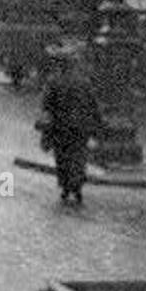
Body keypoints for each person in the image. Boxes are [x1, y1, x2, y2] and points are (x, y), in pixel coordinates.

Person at [41, 48, 103, 205]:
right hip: (81, 128)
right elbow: (93, 106)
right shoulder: (85, 82)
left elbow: (46, 105)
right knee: (78, 157)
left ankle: (65, 187)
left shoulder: (55, 82)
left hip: (60, 127)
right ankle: (77, 187)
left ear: (62, 66)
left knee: (62, 157)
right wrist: (97, 126)